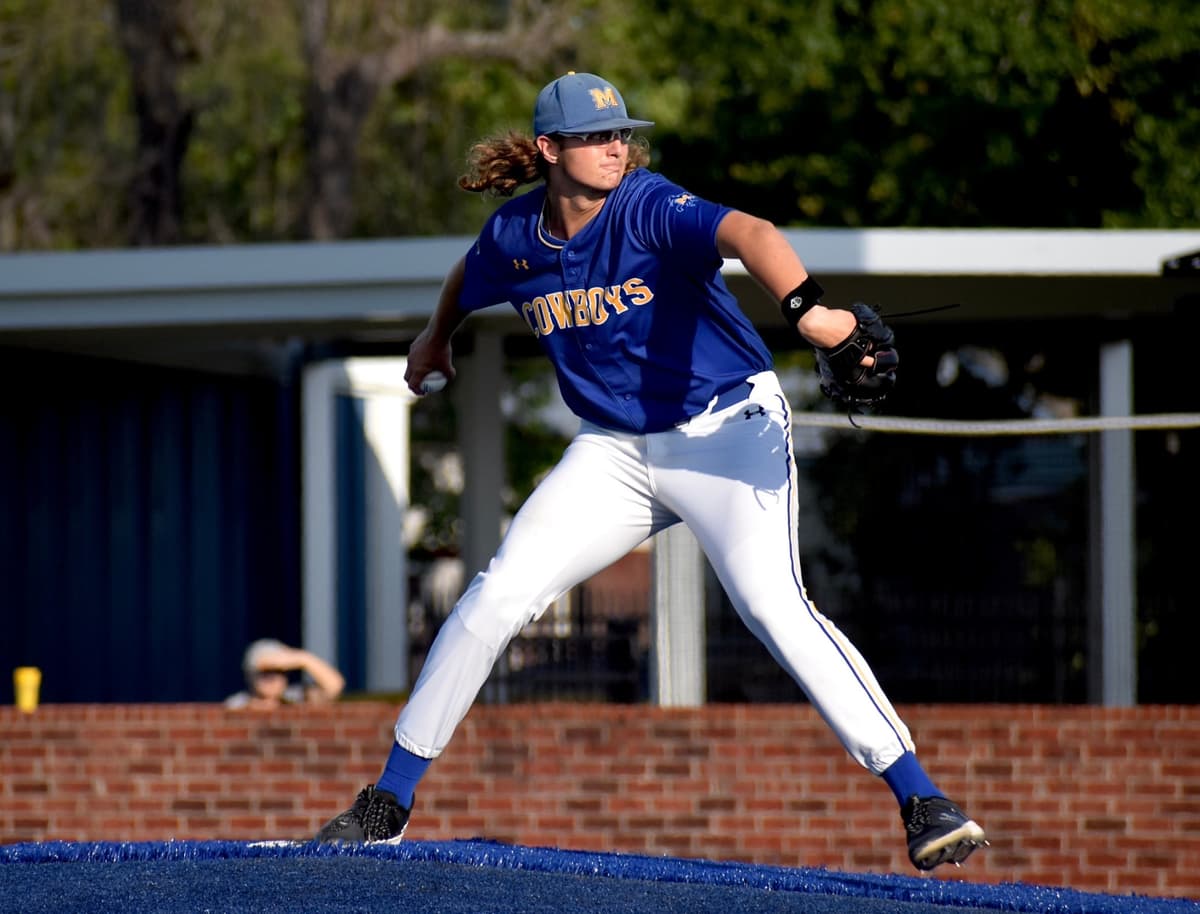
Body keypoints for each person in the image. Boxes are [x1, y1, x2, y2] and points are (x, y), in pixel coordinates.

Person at [315, 72, 987, 871]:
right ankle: (388, 799)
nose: (616, 147)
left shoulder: (647, 204)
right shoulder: (514, 237)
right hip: (614, 452)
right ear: (549, 150)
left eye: (621, 133)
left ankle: (920, 796)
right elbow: (470, 274)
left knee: (773, 607)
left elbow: (752, 232)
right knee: (494, 594)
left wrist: (808, 310)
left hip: (725, 430)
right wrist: (435, 338)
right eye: (598, 137)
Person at [224, 638, 345, 710]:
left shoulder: (295, 697)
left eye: (278, 671)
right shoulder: (237, 704)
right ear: (250, 675)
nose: (271, 678)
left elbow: (334, 687)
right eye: (265, 672)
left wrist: (303, 659)